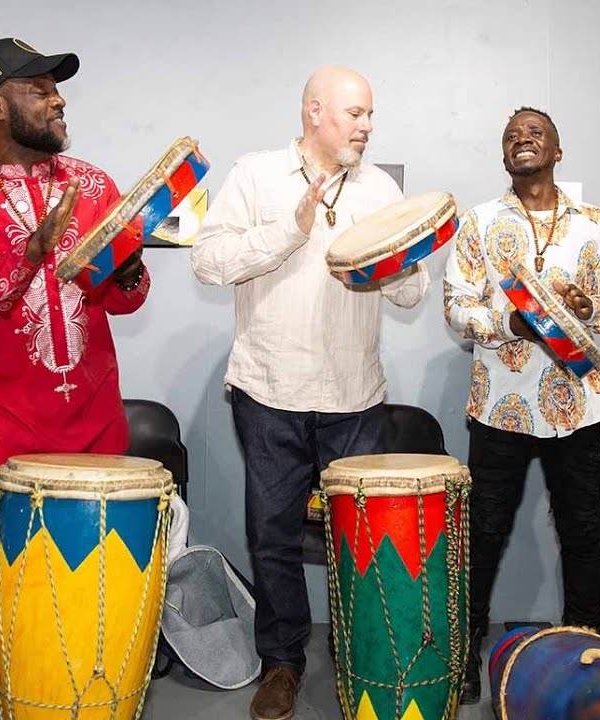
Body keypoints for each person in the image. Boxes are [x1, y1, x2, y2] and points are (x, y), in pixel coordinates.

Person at [191, 65, 428, 720]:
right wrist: (289, 231)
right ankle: (282, 664)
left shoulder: (380, 187)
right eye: (356, 114)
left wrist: (400, 262)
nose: (367, 126)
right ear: (313, 111)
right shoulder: (255, 175)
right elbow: (208, 263)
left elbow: (412, 293)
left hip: (355, 396)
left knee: (367, 541)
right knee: (272, 536)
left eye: (371, 115)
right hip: (268, 389)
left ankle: (371, 659)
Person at [0, 37, 150, 719]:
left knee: (100, 592)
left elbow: (126, 299)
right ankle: (11, 704)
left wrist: (124, 268)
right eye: (38, 88)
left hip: (99, 431)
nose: (57, 99)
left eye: (56, 87)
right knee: (16, 596)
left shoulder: (93, 183)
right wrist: (30, 254)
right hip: (12, 440)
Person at [442, 106, 600, 703]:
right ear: (504, 158)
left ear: (557, 150)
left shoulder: (594, 222)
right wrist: (510, 322)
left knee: (584, 531)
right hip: (500, 403)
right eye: (512, 136)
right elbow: (456, 306)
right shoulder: (479, 221)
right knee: (485, 533)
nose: (523, 140)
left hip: (577, 404)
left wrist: (583, 305)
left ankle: (585, 652)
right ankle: (464, 656)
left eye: (535, 133)